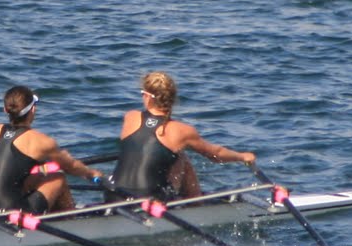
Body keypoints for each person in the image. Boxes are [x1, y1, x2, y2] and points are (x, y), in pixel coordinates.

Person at [108, 71, 255, 201]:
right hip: (150, 200)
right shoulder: (182, 131)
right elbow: (216, 154)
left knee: (175, 156)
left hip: (114, 194)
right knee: (181, 159)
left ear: (147, 97)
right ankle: (195, 204)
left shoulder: (130, 117)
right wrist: (242, 157)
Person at [0, 85, 106, 215]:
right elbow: (71, 166)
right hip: (9, 213)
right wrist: (92, 174)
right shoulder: (40, 141)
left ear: (5, 110)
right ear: (33, 110)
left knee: (33, 177)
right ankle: (70, 220)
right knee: (58, 177)